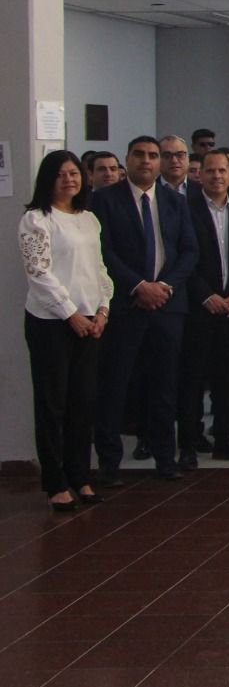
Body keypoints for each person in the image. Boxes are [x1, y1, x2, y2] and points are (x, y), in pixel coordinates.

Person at [93, 135, 198, 484]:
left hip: (167, 307)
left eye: (153, 156)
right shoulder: (105, 200)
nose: (147, 161)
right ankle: (109, 463)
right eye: (139, 155)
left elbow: (188, 251)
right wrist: (139, 287)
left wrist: (163, 287)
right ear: (128, 159)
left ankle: (165, 459)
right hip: (127, 305)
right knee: (117, 384)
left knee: (165, 386)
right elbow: (104, 253)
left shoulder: (174, 201)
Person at [20, 151, 113, 511]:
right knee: (52, 404)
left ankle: (80, 477)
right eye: (61, 175)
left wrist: (104, 306)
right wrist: (70, 313)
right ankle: (55, 483)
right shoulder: (36, 220)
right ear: (48, 180)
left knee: (83, 403)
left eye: (74, 174)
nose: (69, 180)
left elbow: (99, 268)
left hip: (90, 321)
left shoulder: (89, 219)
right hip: (51, 323)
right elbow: (38, 273)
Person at [180, 150, 229, 467]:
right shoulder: (186, 210)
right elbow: (181, 257)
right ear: (199, 175)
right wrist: (204, 294)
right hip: (200, 308)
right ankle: (188, 443)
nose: (216, 176)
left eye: (221, 171)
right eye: (210, 171)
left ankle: (225, 440)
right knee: (193, 378)